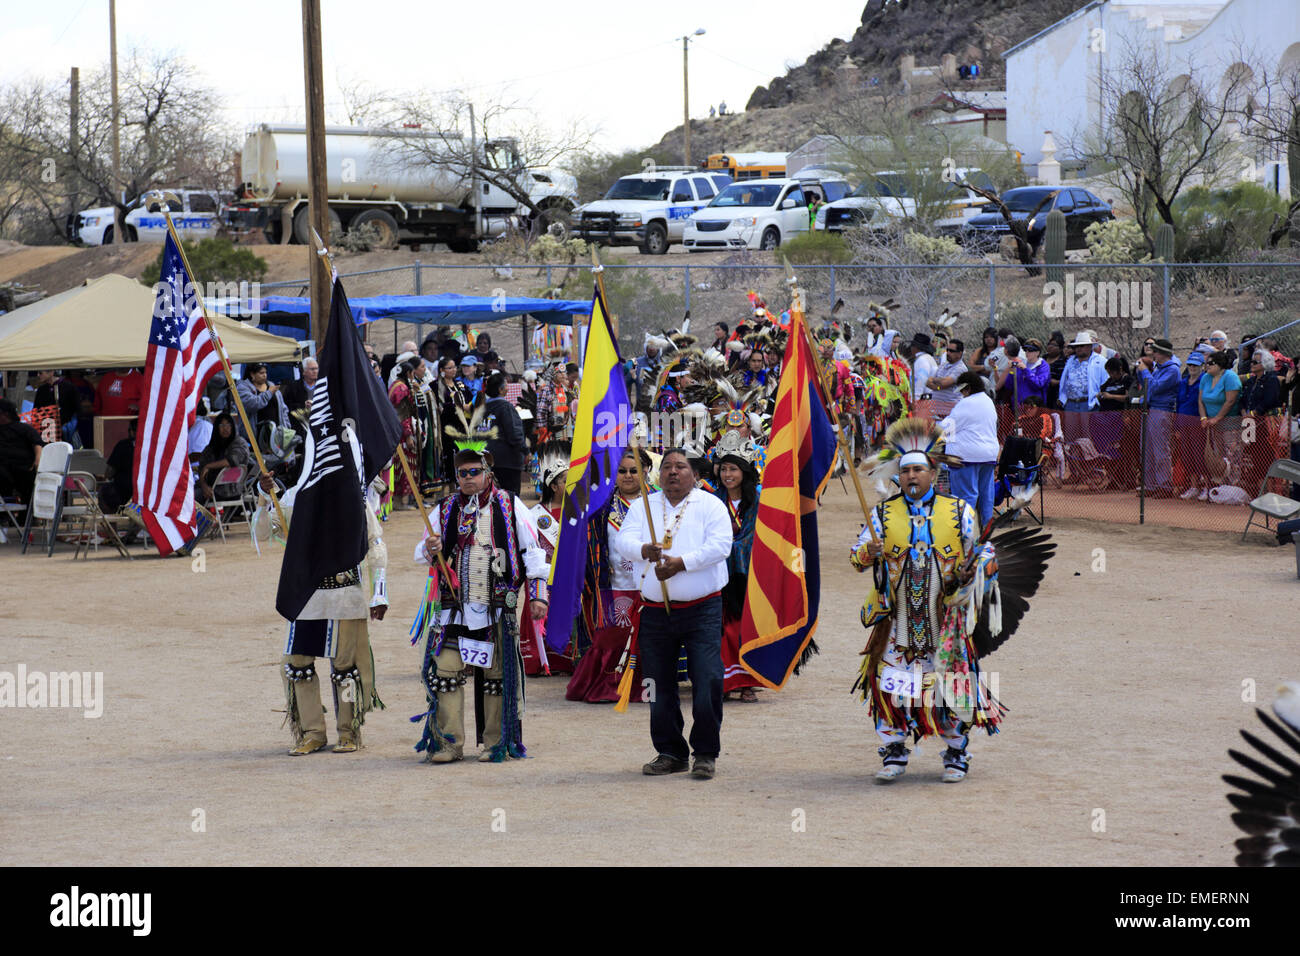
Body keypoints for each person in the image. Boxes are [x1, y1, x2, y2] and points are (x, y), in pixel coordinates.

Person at [850, 417, 1004, 784]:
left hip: (945, 620)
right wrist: (869, 552)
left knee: (950, 685)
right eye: (905, 472)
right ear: (897, 477)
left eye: (919, 469)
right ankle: (894, 751)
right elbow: (856, 558)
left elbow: (984, 552)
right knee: (891, 685)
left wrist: (977, 568)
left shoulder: (959, 512)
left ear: (933, 473)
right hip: (897, 618)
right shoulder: (883, 515)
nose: (911, 477)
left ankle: (956, 752)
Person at [412, 434, 550, 764]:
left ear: (488, 472)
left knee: (497, 677)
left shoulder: (509, 504)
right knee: (444, 673)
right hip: (452, 609)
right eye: (463, 473)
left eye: (475, 472)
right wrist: (430, 549)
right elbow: (421, 553)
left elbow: (533, 552)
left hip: (497, 606)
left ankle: (496, 743)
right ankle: (448, 743)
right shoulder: (445, 509)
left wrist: (537, 595)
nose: (468, 479)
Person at [262, 437, 389, 756]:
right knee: (296, 664)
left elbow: (375, 544)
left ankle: (349, 732)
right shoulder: (293, 499)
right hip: (306, 594)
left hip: (344, 594)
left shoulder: (354, 500)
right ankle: (312, 732)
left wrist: (379, 592)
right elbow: (268, 532)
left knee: (346, 667)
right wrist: (268, 497)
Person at [615, 447, 733, 780]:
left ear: (694, 474)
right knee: (656, 683)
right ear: (658, 474)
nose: (673, 472)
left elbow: (722, 546)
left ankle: (706, 753)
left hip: (702, 609)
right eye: (667, 466)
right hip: (655, 610)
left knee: (708, 678)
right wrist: (644, 550)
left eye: (681, 466)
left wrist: (681, 564)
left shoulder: (710, 505)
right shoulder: (644, 506)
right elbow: (623, 541)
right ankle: (670, 751)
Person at [565, 447, 653, 704]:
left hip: (651, 584)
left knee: (647, 639)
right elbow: (589, 544)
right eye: (622, 471)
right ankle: (608, 687)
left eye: (634, 471)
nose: (628, 476)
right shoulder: (601, 506)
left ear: (646, 473)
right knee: (610, 637)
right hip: (612, 584)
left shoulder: (658, 502)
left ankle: (645, 688)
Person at [711, 431, 764, 702]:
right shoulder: (710, 499)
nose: (727, 475)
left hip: (748, 575)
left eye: (733, 469)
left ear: (744, 470)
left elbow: (755, 535)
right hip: (716, 574)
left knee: (744, 629)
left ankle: (747, 682)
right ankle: (724, 682)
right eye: (724, 469)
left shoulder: (758, 500)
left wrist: (725, 550)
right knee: (720, 631)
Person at [941, 372, 1000, 529]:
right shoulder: (988, 401)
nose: (961, 394)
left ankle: (964, 530)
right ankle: (986, 529)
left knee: (966, 495)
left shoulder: (966, 404)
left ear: (967, 389)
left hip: (966, 456)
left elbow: (948, 427)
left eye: (962, 390)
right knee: (986, 494)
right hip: (988, 455)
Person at [1198, 350, 1242, 499]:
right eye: (1206, 363)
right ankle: (1220, 488)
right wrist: (1204, 417)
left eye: (1210, 363)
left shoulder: (1230, 377)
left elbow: (1230, 401)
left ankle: (1234, 489)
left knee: (1232, 455)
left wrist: (1217, 418)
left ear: (1220, 364)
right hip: (1212, 424)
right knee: (1218, 455)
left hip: (1230, 423)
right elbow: (1201, 400)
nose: (1207, 366)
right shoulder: (1205, 378)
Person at [1141, 338, 1181, 497]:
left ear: (1163, 353)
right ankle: (1150, 485)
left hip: (1162, 410)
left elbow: (1155, 387)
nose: (1153, 354)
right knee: (1147, 449)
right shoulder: (1159, 368)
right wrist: (1143, 372)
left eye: (1156, 351)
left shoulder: (1172, 370)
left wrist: (1144, 371)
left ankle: (1164, 486)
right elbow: (1147, 386)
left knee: (1160, 450)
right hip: (1152, 409)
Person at [482, 372, 527, 497]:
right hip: (508, 462)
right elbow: (514, 434)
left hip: (487, 460)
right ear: (501, 390)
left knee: (492, 500)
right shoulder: (506, 407)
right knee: (510, 501)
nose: (508, 388)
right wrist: (525, 451)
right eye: (506, 385)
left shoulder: (482, 408)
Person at [196, 412, 251, 503]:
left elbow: (233, 460)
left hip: (231, 491)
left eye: (228, 424)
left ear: (233, 426)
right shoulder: (212, 446)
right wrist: (204, 486)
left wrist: (209, 466)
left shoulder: (239, 443)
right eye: (221, 425)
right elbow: (202, 467)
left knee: (191, 499)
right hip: (209, 489)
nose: (225, 428)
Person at [0, 398, 44, 503]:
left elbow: (37, 443)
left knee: (27, 484)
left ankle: (25, 517)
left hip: (23, 469)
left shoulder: (24, 428)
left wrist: (38, 460)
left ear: (5, 414)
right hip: (3, 469)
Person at [236, 363, 290, 438]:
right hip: (255, 436)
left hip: (276, 435)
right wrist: (269, 393)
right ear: (252, 374)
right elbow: (254, 404)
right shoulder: (243, 388)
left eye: (265, 372)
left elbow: (283, 409)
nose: (265, 375)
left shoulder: (271, 386)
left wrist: (286, 426)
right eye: (261, 373)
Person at [927, 338, 968, 410]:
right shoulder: (943, 365)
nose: (948, 353)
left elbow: (945, 382)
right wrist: (939, 386)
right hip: (936, 409)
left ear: (959, 353)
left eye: (951, 351)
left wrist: (936, 382)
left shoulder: (961, 368)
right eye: (947, 350)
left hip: (950, 411)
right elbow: (929, 383)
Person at [907, 332, 938, 401]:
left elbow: (920, 381)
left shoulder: (921, 361)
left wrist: (914, 401)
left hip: (923, 402)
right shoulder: (928, 358)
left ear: (915, 347)